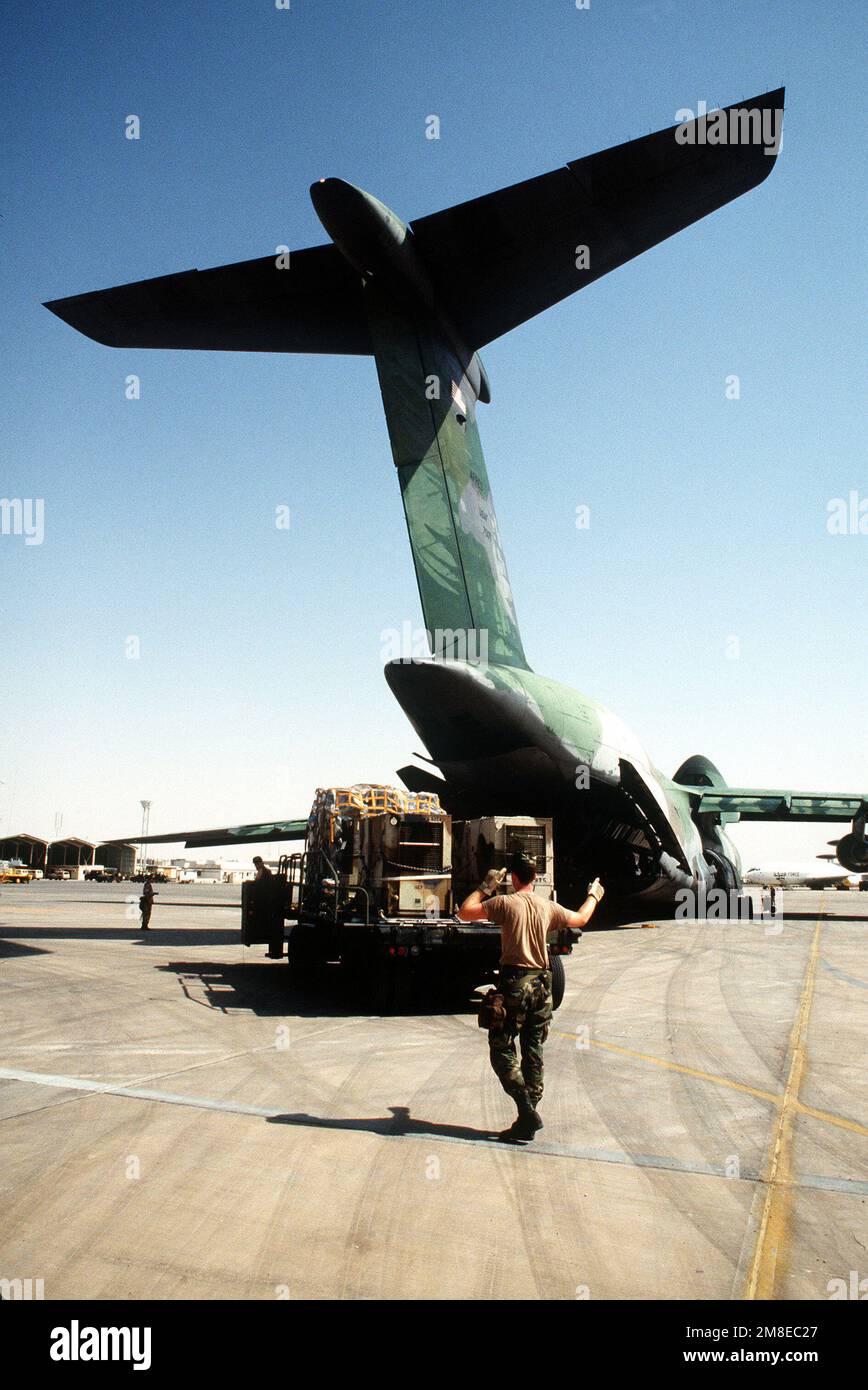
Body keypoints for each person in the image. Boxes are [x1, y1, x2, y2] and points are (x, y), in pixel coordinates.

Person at [459, 853, 605, 1143]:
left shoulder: (504, 903)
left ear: (513, 878)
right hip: (543, 984)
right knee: (534, 1049)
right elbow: (581, 918)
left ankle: (524, 1107)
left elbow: (466, 912)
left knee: (501, 1045)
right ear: (535, 877)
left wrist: (486, 886)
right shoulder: (547, 907)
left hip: (515, 982)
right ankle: (528, 1116)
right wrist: (593, 895)